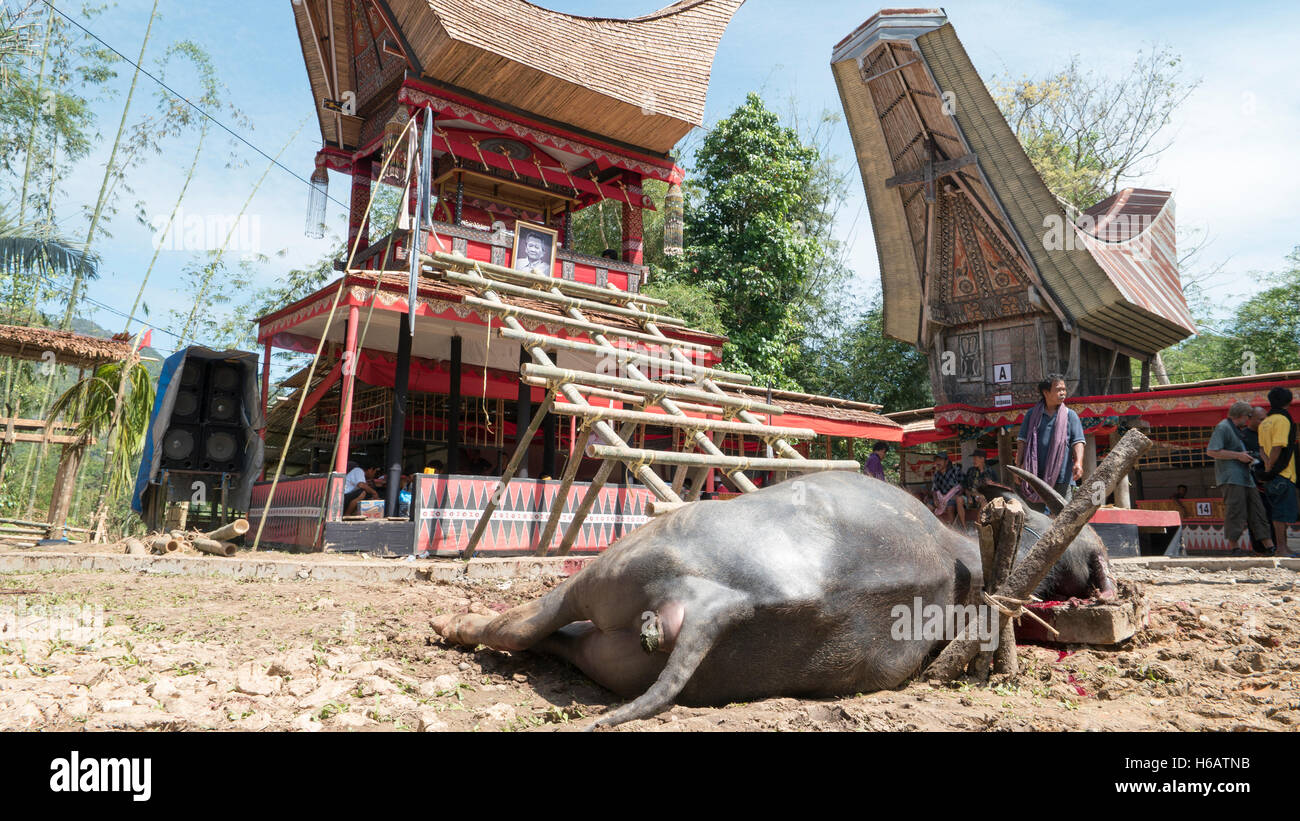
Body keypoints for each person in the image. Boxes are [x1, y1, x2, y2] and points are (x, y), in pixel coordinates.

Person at [1206, 401, 1274, 555]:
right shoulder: (1223, 427)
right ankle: (1234, 546)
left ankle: (1269, 545)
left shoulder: (1237, 429)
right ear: (1242, 415)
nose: (1249, 420)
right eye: (1249, 416)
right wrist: (1238, 456)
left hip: (1245, 476)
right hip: (1231, 477)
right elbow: (1212, 451)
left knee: (1258, 510)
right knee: (1235, 510)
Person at [1017, 374, 1085, 508]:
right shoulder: (1031, 415)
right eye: (1058, 389)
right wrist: (1019, 465)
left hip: (1062, 477)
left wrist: (1078, 463)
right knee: (1036, 516)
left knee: (1062, 514)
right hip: (1035, 476)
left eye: (1064, 389)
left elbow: (1078, 441)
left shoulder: (1070, 415)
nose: (1063, 393)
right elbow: (1022, 441)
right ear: (1046, 392)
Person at [1259, 387, 1299, 557]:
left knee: (1278, 512)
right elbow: (1278, 446)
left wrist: (1267, 466)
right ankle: (1282, 548)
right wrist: (1272, 467)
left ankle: (1284, 547)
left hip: (1272, 475)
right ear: (1288, 402)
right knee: (1281, 514)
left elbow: (1262, 449)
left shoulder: (1265, 422)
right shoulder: (1282, 420)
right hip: (1283, 474)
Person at [930, 452, 967, 528]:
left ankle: (953, 530)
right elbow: (934, 490)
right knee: (928, 506)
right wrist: (935, 500)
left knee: (950, 507)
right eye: (936, 460)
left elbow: (964, 485)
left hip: (953, 497)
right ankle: (933, 528)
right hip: (941, 498)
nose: (937, 463)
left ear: (946, 462)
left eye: (940, 460)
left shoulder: (956, 470)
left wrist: (958, 495)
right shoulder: (936, 474)